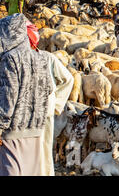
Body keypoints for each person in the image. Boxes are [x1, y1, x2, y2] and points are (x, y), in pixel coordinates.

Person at [0, 14, 52, 176]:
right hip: (36, 130)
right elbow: (49, 88)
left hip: (13, 133)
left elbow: (8, 97)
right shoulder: (41, 57)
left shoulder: (10, 59)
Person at [39, 50, 73, 176]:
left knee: (44, 147)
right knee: (44, 147)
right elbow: (68, 79)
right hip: (44, 110)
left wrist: (56, 104)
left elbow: (68, 79)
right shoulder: (48, 57)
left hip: (40, 112)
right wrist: (55, 103)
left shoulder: (47, 57)